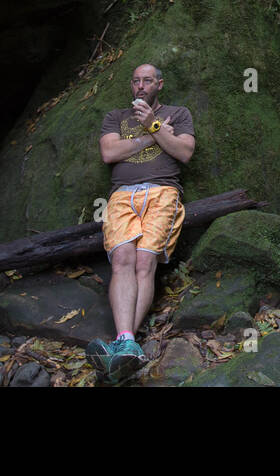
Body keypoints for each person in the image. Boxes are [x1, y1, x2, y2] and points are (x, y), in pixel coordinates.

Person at [85, 63, 195, 382]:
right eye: (136, 81)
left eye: (147, 81)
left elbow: (184, 152)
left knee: (145, 261)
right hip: (122, 195)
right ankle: (128, 346)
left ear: (160, 84)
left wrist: (153, 122)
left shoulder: (179, 112)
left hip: (163, 191)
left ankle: (123, 343)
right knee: (122, 258)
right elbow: (109, 153)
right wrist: (155, 134)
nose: (141, 86)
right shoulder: (116, 117)